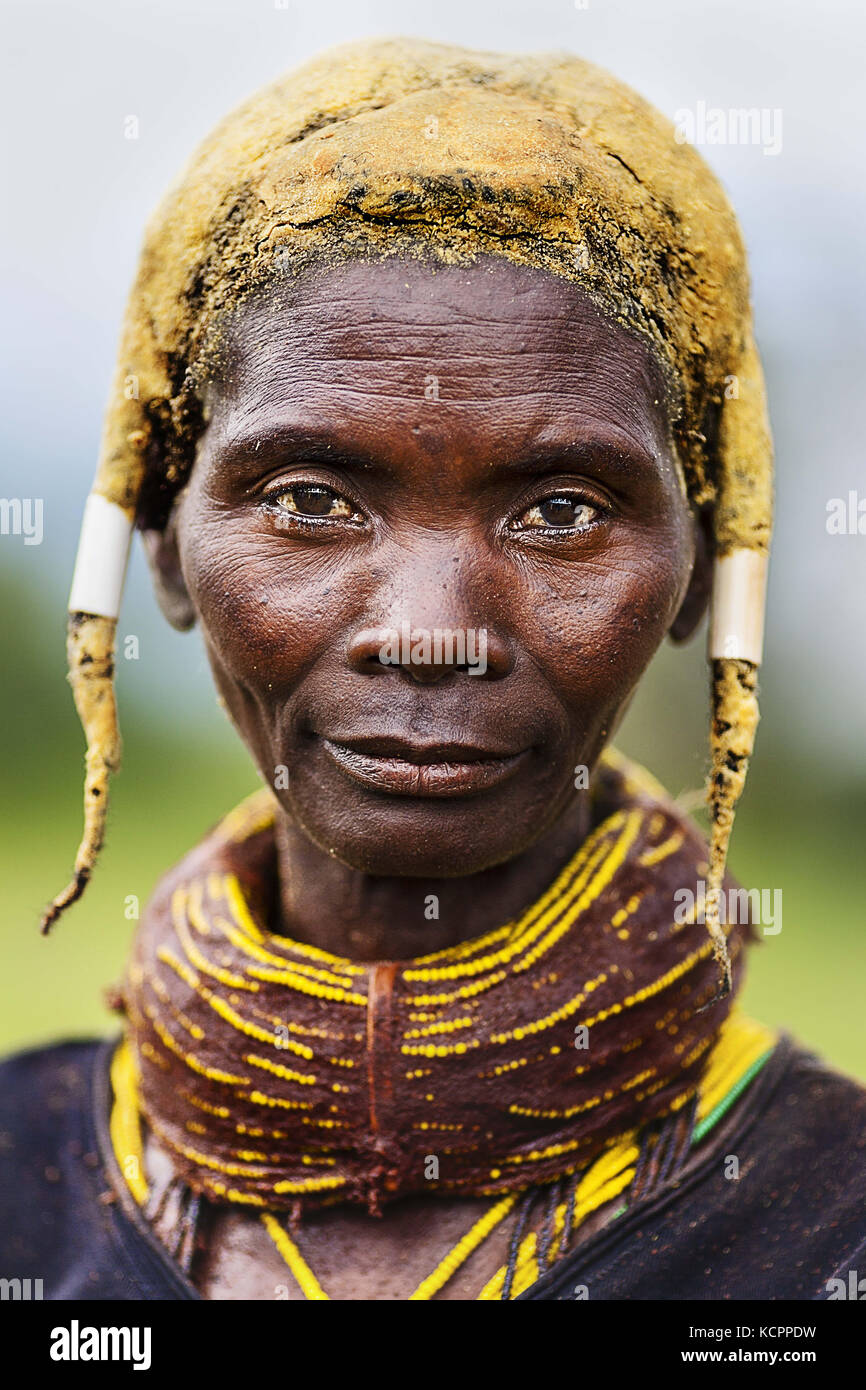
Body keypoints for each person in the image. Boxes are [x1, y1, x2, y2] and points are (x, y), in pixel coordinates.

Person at [2, 36, 864, 1302]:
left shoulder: (828, 1219)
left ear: (697, 571)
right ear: (165, 552)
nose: (430, 631)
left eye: (562, 511)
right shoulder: (21, 1178)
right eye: (310, 499)